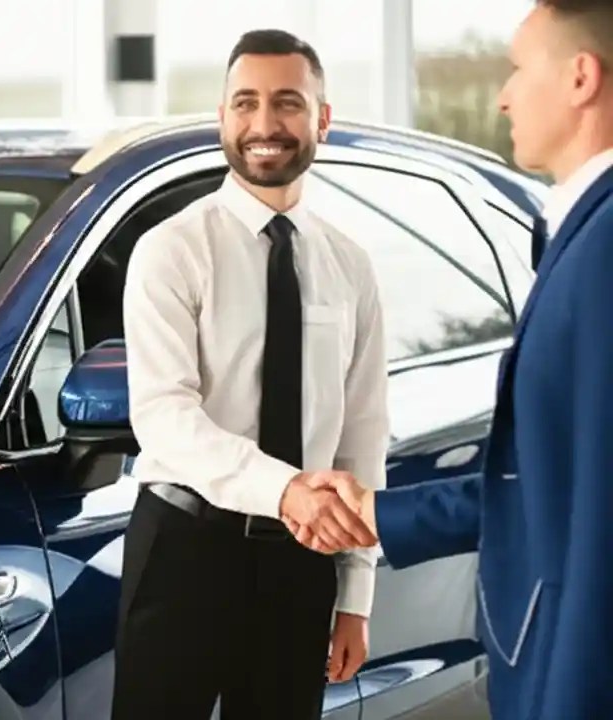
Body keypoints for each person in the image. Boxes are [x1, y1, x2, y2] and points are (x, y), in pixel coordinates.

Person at [290, 1, 613, 718]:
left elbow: (601, 524)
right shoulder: (583, 232)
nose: (504, 96)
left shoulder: (606, 248)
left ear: (580, 77)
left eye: (519, 69)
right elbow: (539, 485)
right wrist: (377, 511)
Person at [112, 28, 388, 719]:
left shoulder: (350, 265)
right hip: (184, 554)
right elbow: (164, 418)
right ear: (223, 117)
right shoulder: (171, 251)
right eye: (245, 103)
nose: (265, 124)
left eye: (288, 102)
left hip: (302, 563)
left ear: (322, 118)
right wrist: (285, 490)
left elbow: (361, 436)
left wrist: (355, 595)